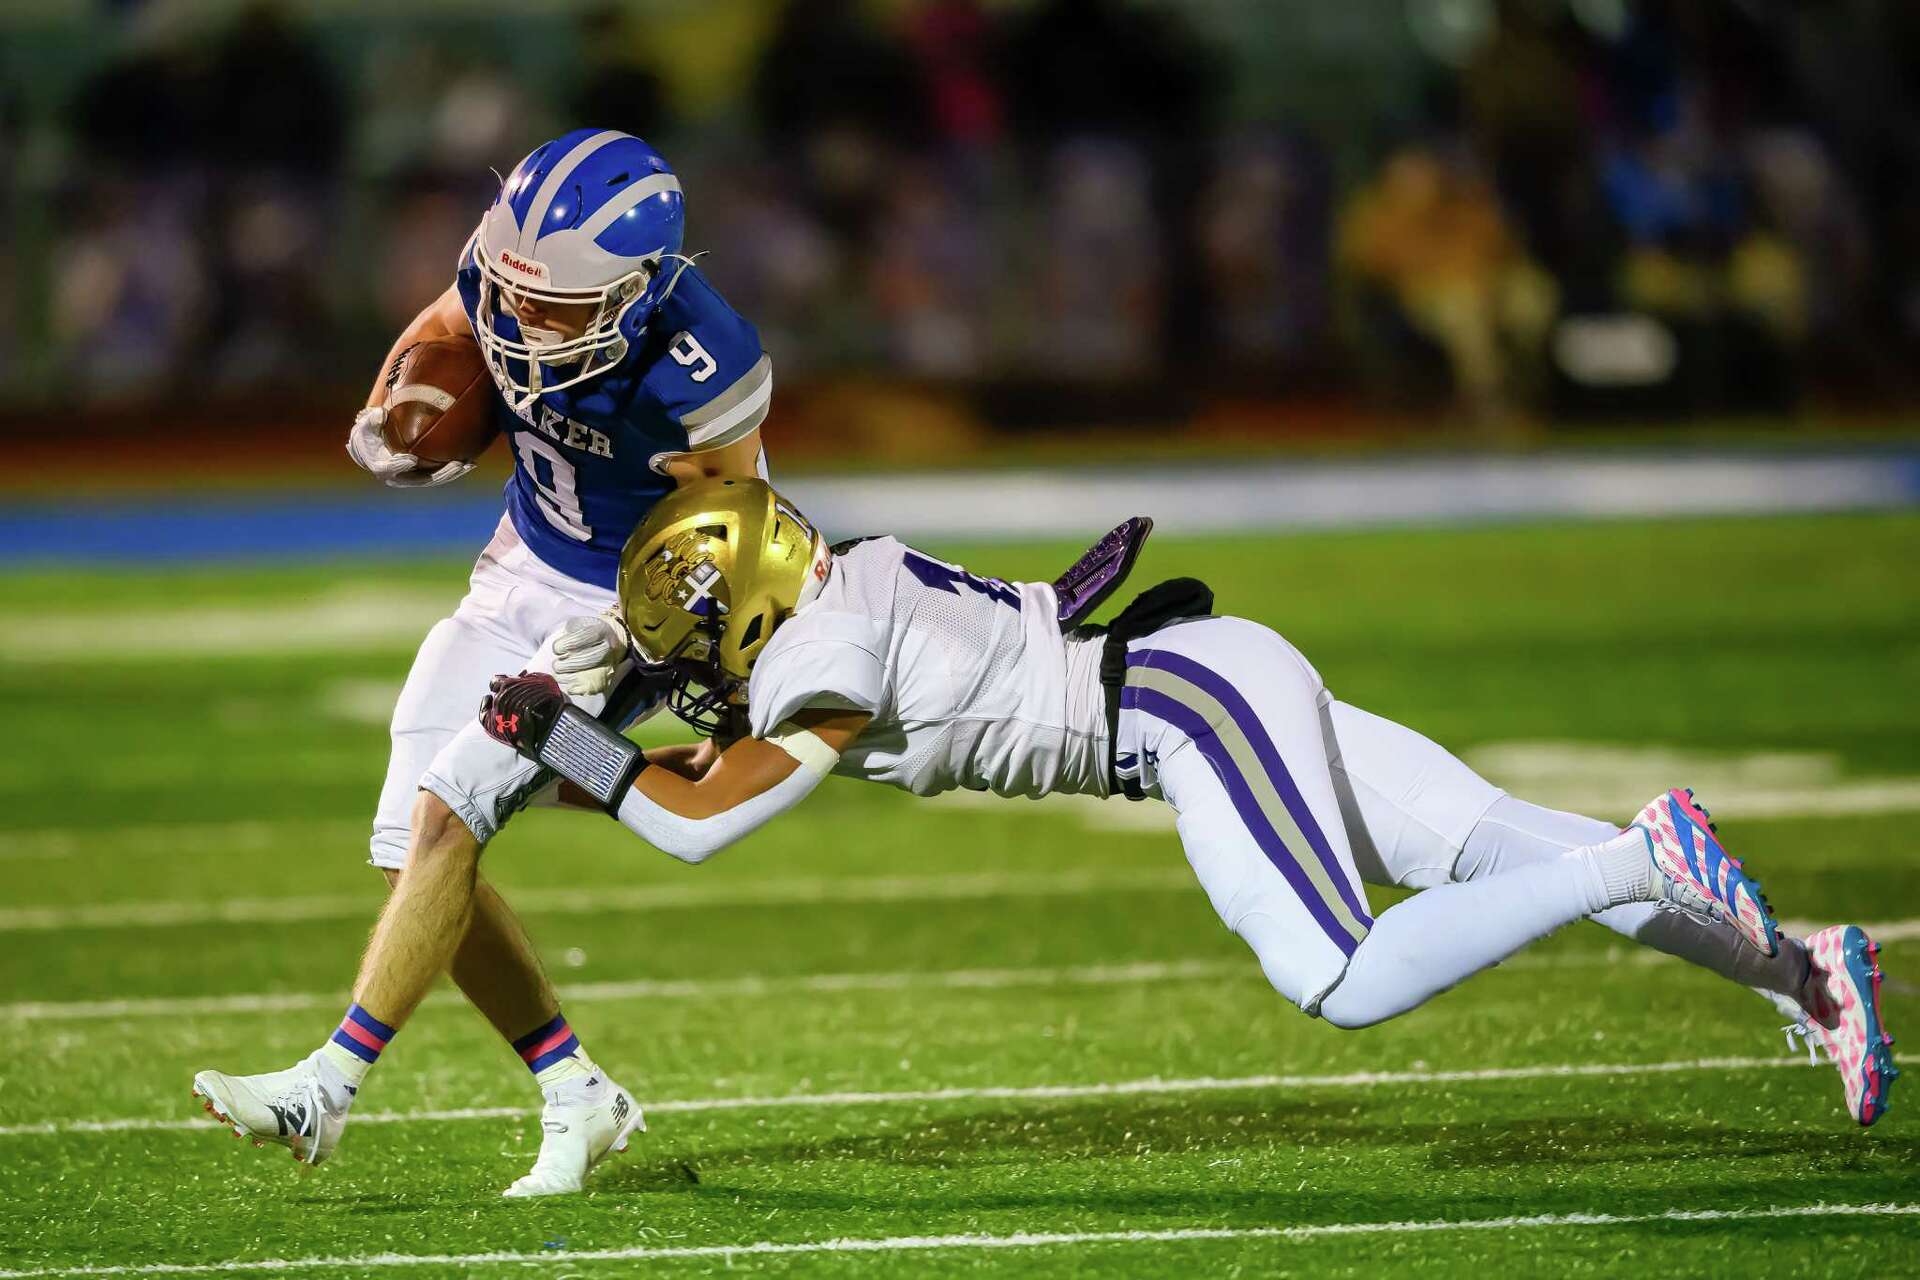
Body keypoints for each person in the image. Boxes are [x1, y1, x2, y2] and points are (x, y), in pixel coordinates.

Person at [490, 477, 1897, 1127]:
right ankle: (1810, 974)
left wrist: (572, 745)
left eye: (686, 641)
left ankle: (1642, 854)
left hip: (1184, 713)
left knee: (1340, 979)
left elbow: (697, 816)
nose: (687, 677)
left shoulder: (820, 654)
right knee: (1479, 845)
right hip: (1197, 677)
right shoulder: (844, 568)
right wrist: (572, 742)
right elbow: (697, 753)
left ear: (735, 607)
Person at [191, 130, 775, 1196]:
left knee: (452, 809)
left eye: (555, 307)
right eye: (517, 290)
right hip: (514, 571)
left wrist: (682, 655)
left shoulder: (708, 364)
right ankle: (579, 1085)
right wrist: (388, 403)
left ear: (640, 292)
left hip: (620, 602)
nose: (524, 322)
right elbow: (451, 318)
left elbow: (735, 537)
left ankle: (327, 1081)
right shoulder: (511, 269)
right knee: (406, 842)